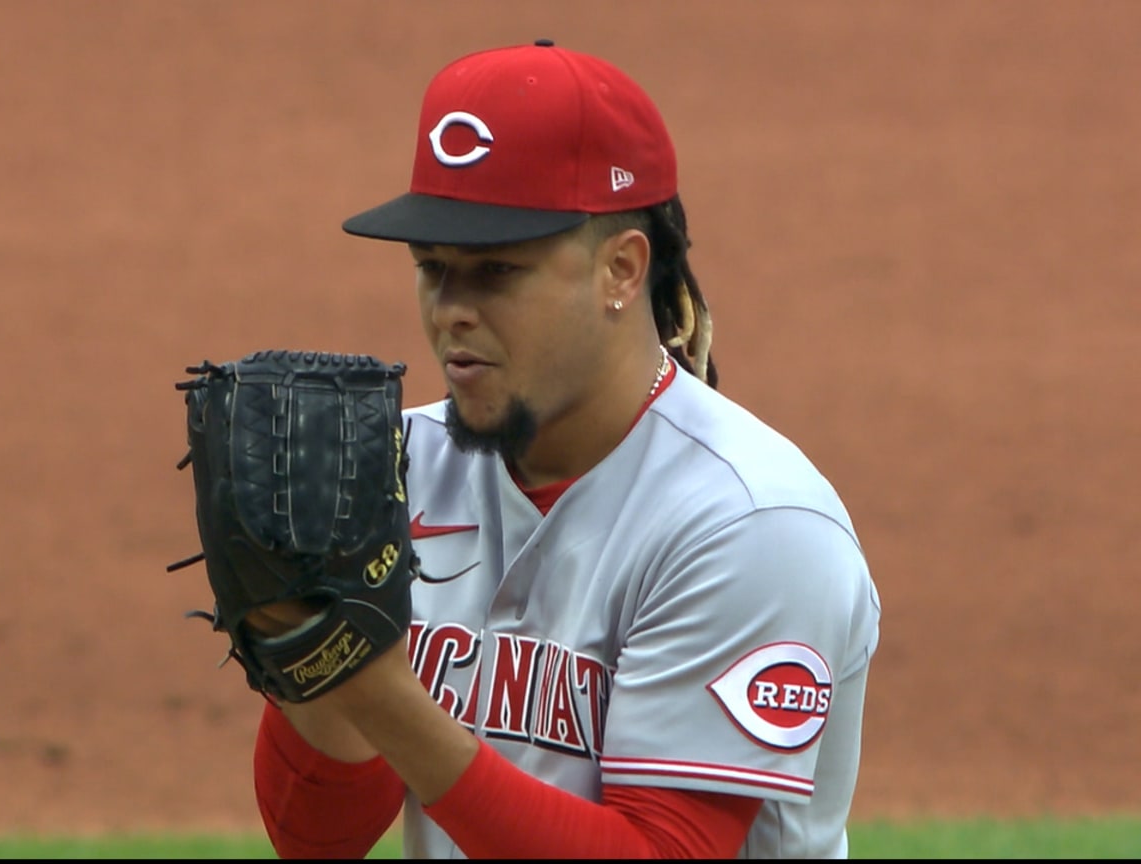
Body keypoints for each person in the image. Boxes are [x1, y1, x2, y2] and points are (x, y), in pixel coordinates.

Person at [245, 39, 882, 859]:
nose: (450, 310)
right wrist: (304, 654)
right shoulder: (392, 469)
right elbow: (316, 840)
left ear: (621, 270)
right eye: (432, 267)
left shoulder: (751, 522)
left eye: (497, 272)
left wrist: (371, 682)